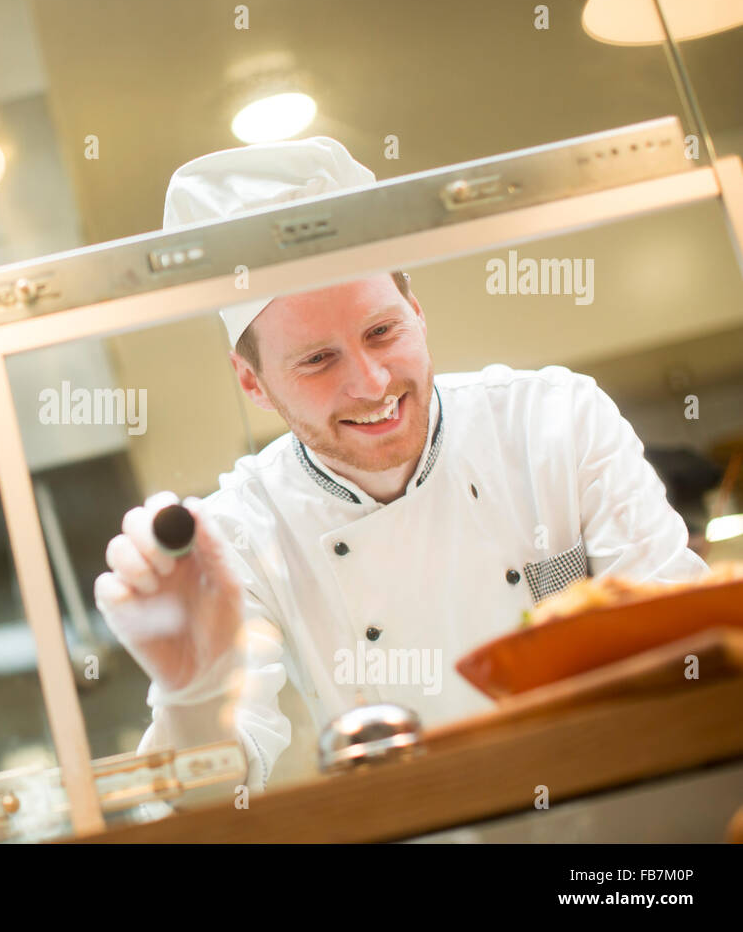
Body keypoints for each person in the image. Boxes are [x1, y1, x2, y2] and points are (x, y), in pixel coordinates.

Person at [93, 137, 708, 791]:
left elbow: (690, 650)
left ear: (416, 311)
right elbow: (214, 796)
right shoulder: (241, 533)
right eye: (317, 360)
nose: (372, 381)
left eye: (382, 332)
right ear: (252, 383)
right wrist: (194, 695)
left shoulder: (555, 420)